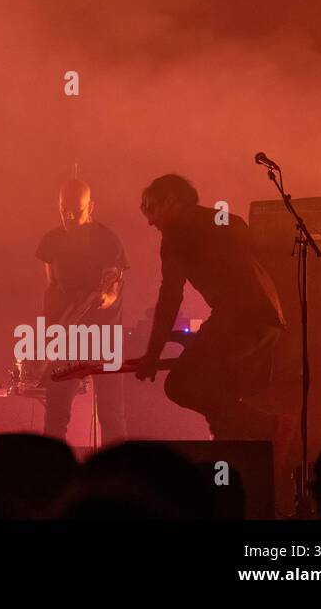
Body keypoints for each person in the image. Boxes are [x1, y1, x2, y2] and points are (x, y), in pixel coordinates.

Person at [134, 174, 285, 442]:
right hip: (268, 319)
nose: (150, 221)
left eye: (152, 208)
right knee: (216, 390)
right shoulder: (226, 220)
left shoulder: (175, 236)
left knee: (181, 385)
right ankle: (235, 444)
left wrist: (153, 354)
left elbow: (170, 297)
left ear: (171, 201)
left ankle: (271, 427)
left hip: (239, 320)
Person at [35, 178, 129, 444]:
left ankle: (118, 474)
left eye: (77, 209)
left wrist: (105, 298)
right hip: (67, 337)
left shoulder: (108, 241)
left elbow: (113, 292)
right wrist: (48, 330)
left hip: (104, 337)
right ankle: (52, 472)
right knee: (56, 412)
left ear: (92, 207)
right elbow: (51, 286)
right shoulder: (52, 240)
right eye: (64, 208)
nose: (69, 215)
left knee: (111, 413)